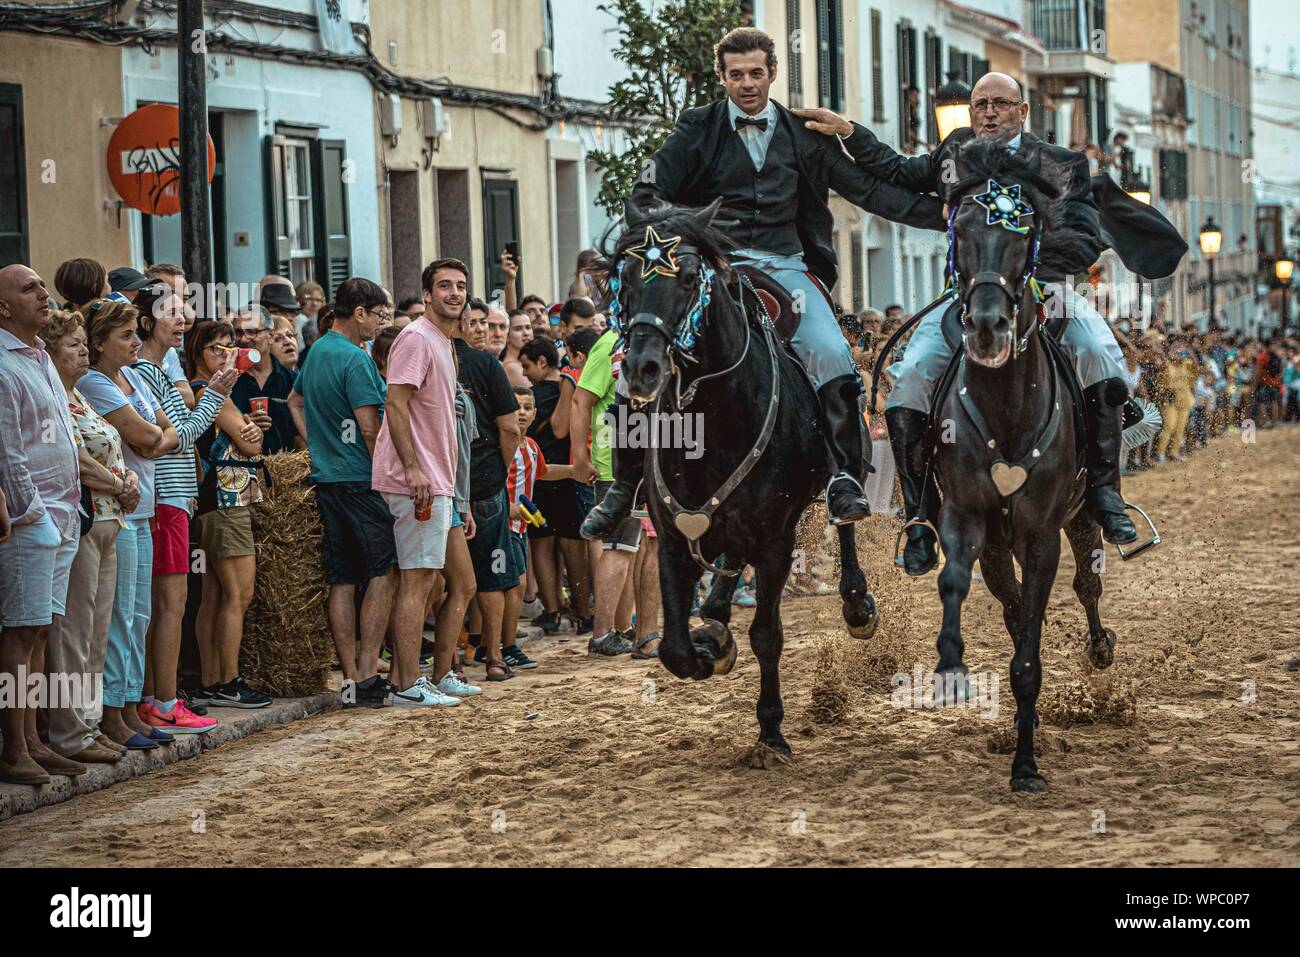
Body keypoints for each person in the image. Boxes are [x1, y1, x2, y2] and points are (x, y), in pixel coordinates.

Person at [796, 71, 1183, 568]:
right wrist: (848, 133)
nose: (989, 112)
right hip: (967, 294)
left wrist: (1018, 272)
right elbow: (897, 172)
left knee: (1099, 354)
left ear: (1023, 111)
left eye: (1001, 103)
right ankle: (918, 517)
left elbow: (1084, 237)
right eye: (980, 104)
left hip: (1043, 288)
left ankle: (1106, 494)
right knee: (910, 378)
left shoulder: (1060, 165)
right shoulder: (955, 151)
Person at [596, 26, 942, 541]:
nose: (747, 84)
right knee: (639, 359)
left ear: (773, 73)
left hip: (785, 266)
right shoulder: (696, 128)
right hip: (716, 264)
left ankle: (843, 476)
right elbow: (647, 191)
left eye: (757, 73)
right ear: (723, 77)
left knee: (830, 352)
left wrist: (951, 216)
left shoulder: (804, 134)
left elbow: (868, 190)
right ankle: (622, 487)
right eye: (736, 75)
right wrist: (681, 232)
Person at [132, 282, 240, 733]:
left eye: (185, 309)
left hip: (173, 498)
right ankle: (161, 700)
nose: (184, 318)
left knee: (166, 606)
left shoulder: (157, 370)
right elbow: (177, 436)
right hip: (163, 499)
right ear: (145, 322)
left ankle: (158, 698)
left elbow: (179, 434)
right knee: (168, 606)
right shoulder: (144, 371)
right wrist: (215, 394)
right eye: (172, 311)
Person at [77, 298, 184, 748]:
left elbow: (169, 430)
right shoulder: (95, 382)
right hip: (118, 510)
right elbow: (146, 434)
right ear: (99, 343)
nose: (136, 341)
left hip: (143, 505)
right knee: (118, 617)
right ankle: (114, 713)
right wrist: (152, 438)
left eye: (135, 333)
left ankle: (129, 707)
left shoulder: (135, 375)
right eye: (125, 336)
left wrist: (152, 438)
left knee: (138, 615)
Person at [289, 278, 398, 708]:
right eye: (378, 315)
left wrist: (315, 443)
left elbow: (293, 401)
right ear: (359, 312)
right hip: (358, 477)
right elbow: (370, 428)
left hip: (327, 477)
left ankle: (350, 677)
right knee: (382, 570)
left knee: (342, 576)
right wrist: (389, 478)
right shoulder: (355, 358)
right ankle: (369, 672)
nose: (380, 324)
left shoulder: (316, 350)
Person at [0, 266, 86, 784]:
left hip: (60, 512)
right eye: (29, 288)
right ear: (3, 307)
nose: (44, 294)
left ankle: (32, 739)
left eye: (41, 285)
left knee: (39, 632)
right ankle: (14, 748)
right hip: (34, 517)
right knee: (21, 631)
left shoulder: (38, 357)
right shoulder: (4, 364)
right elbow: (8, 450)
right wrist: (32, 511)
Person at [43, 310, 139, 763]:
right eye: (73, 345)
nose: (83, 350)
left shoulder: (79, 395)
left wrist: (126, 483)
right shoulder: (55, 398)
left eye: (85, 343)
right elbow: (76, 460)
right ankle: (68, 731)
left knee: (98, 633)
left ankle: (89, 721)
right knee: (73, 633)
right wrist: (121, 484)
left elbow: (108, 452)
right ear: (50, 352)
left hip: (109, 519)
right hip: (82, 520)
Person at [372, 262, 463, 706]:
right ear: (426, 294)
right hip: (415, 480)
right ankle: (405, 684)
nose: (454, 293)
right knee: (418, 579)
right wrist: (412, 468)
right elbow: (395, 402)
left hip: (434, 477)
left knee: (422, 580)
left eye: (460, 286)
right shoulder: (415, 337)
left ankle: (408, 678)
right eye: (444, 286)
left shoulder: (442, 340)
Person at [187, 320, 272, 709]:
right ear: (197, 354)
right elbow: (250, 447)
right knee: (240, 592)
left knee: (215, 595)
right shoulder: (210, 391)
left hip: (211, 501)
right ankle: (228, 681)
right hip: (226, 499)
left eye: (228, 348)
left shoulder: (210, 391)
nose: (224, 355)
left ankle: (211, 679)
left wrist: (250, 429)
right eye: (214, 349)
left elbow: (248, 436)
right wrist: (249, 431)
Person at [455, 285, 523, 683]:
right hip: (483, 482)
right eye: (476, 322)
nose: (482, 329)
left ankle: (455, 660)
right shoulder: (485, 363)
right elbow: (510, 428)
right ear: (465, 323)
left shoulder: (431, 356)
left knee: (449, 580)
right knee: (493, 574)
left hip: (445, 482)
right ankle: (495, 657)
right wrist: (498, 467)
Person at [572, 324, 640, 655]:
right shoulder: (607, 344)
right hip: (614, 463)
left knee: (627, 548)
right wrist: (580, 458)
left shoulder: (637, 338)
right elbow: (580, 400)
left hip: (636, 462)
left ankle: (622, 627)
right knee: (616, 546)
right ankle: (601, 634)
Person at [500, 386, 575, 670]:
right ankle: (503, 646)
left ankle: (496, 645)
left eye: (527, 408)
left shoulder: (531, 446)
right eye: (516, 406)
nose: (521, 412)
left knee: (512, 587)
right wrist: (506, 509)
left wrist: (573, 470)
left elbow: (542, 472)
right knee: (512, 585)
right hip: (501, 523)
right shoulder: (500, 444)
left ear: (534, 414)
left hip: (520, 528)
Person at [518, 336, 590, 633]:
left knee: (541, 545)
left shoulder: (526, 399)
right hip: (567, 473)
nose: (524, 373)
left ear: (542, 362)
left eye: (527, 366)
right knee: (574, 548)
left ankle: (552, 611)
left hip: (539, 477)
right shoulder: (568, 391)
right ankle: (583, 612)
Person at [230, 305, 302, 454]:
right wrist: (242, 424)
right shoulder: (228, 379)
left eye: (252, 332)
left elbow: (303, 434)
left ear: (270, 335)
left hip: (287, 470)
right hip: (244, 472)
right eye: (238, 333)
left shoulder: (293, 381)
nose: (243, 339)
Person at [501, 308, 533, 387]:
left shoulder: (521, 363)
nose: (526, 333)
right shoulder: (511, 367)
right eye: (518, 329)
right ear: (507, 335)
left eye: (528, 327)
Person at [295, 280, 326, 350]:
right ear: (299, 300)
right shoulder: (298, 321)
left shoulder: (323, 322)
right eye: (309, 299)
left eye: (318, 300)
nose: (314, 304)